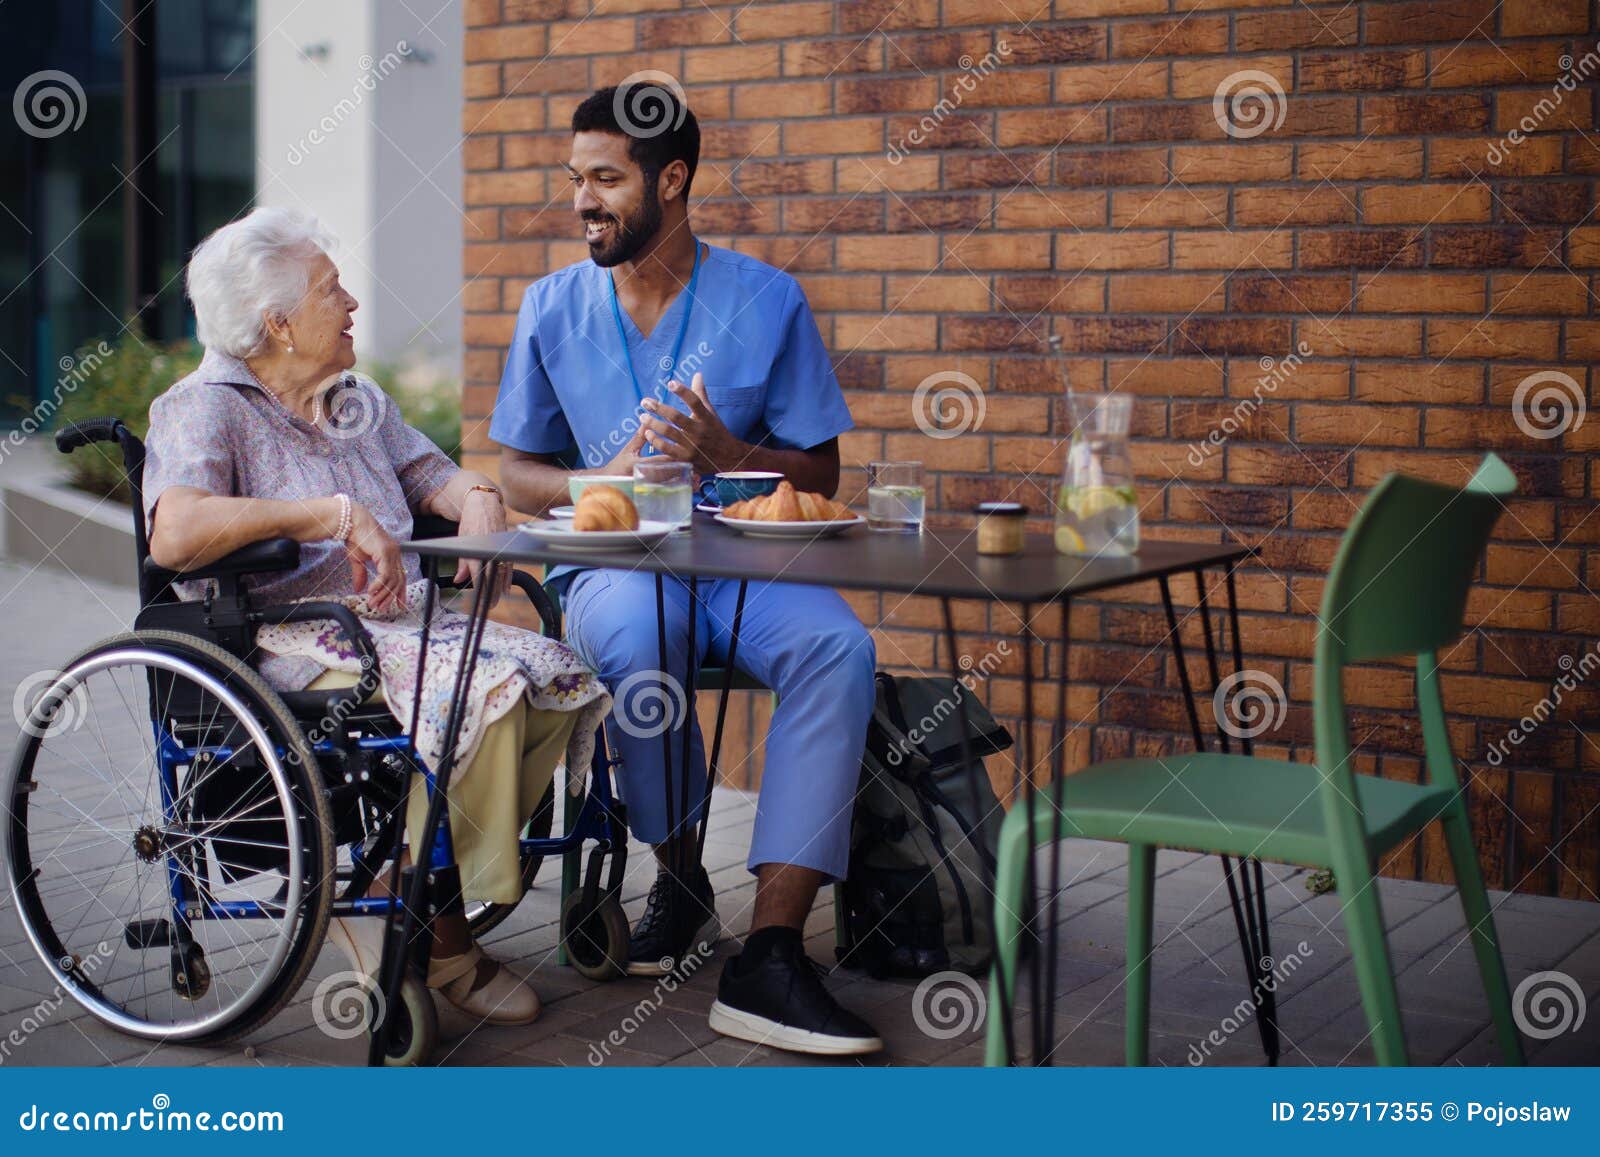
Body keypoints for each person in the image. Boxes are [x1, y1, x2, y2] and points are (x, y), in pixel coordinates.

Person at [142, 206, 610, 1027]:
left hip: (403, 623)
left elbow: (438, 474)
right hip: (294, 633)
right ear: (279, 323)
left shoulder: (354, 399)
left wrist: (477, 498)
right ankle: (446, 934)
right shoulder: (205, 406)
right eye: (333, 290)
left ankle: (395, 886)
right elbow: (175, 531)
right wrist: (326, 514)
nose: (353, 302)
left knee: (559, 674)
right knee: (483, 693)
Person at [492, 84, 882, 1055]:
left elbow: (822, 470)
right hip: (619, 566)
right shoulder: (550, 307)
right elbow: (514, 471)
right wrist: (605, 476)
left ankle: (776, 950)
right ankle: (679, 876)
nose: (582, 198)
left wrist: (727, 447)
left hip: (749, 562)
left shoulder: (766, 298)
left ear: (671, 179)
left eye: (605, 178)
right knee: (636, 632)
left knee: (839, 646)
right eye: (575, 177)